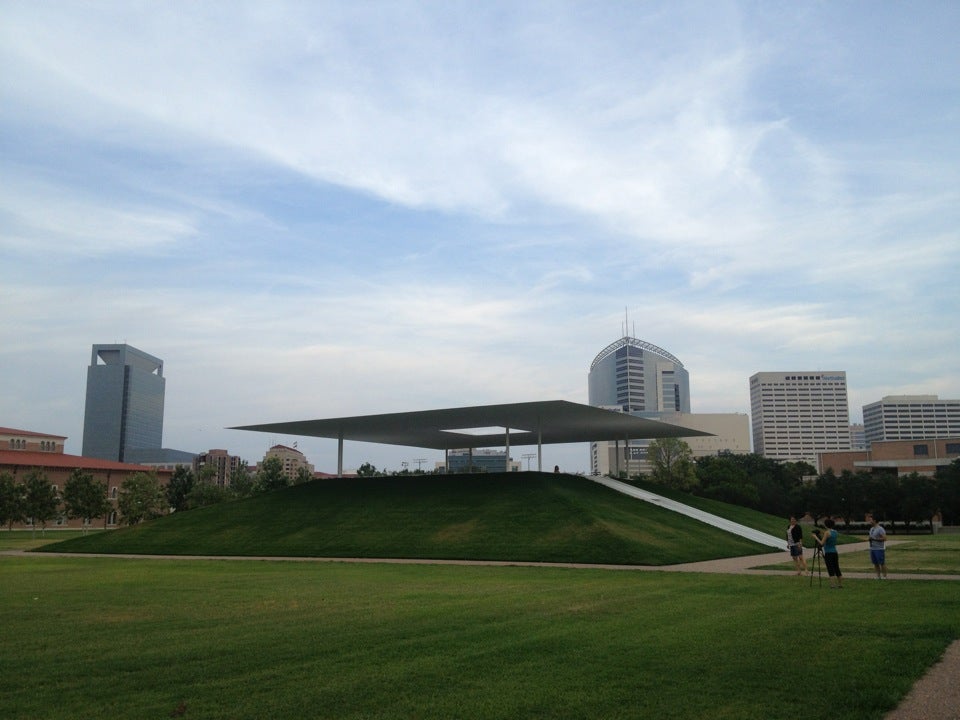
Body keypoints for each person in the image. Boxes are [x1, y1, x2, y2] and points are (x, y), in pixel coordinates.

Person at [814, 518, 843, 589]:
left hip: (828, 552)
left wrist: (815, 537)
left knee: (830, 568)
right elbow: (829, 537)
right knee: (836, 568)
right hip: (834, 552)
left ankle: (832, 585)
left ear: (826, 525)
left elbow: (822, 543)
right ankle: (840, 584)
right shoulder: (835, 532)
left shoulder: (827, 533)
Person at [867, 513, 887, 579]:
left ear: (874, 520)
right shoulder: (871, 529)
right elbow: (871, 538)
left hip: (879, 548)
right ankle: (878, 576)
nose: (870, 521)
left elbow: (884, 538)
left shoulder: (880, 529)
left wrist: (874, 539)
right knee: (875, 563)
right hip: (872, 548)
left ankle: (884, 576)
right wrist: (870, 540)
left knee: (882, 563)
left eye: (871, 520)